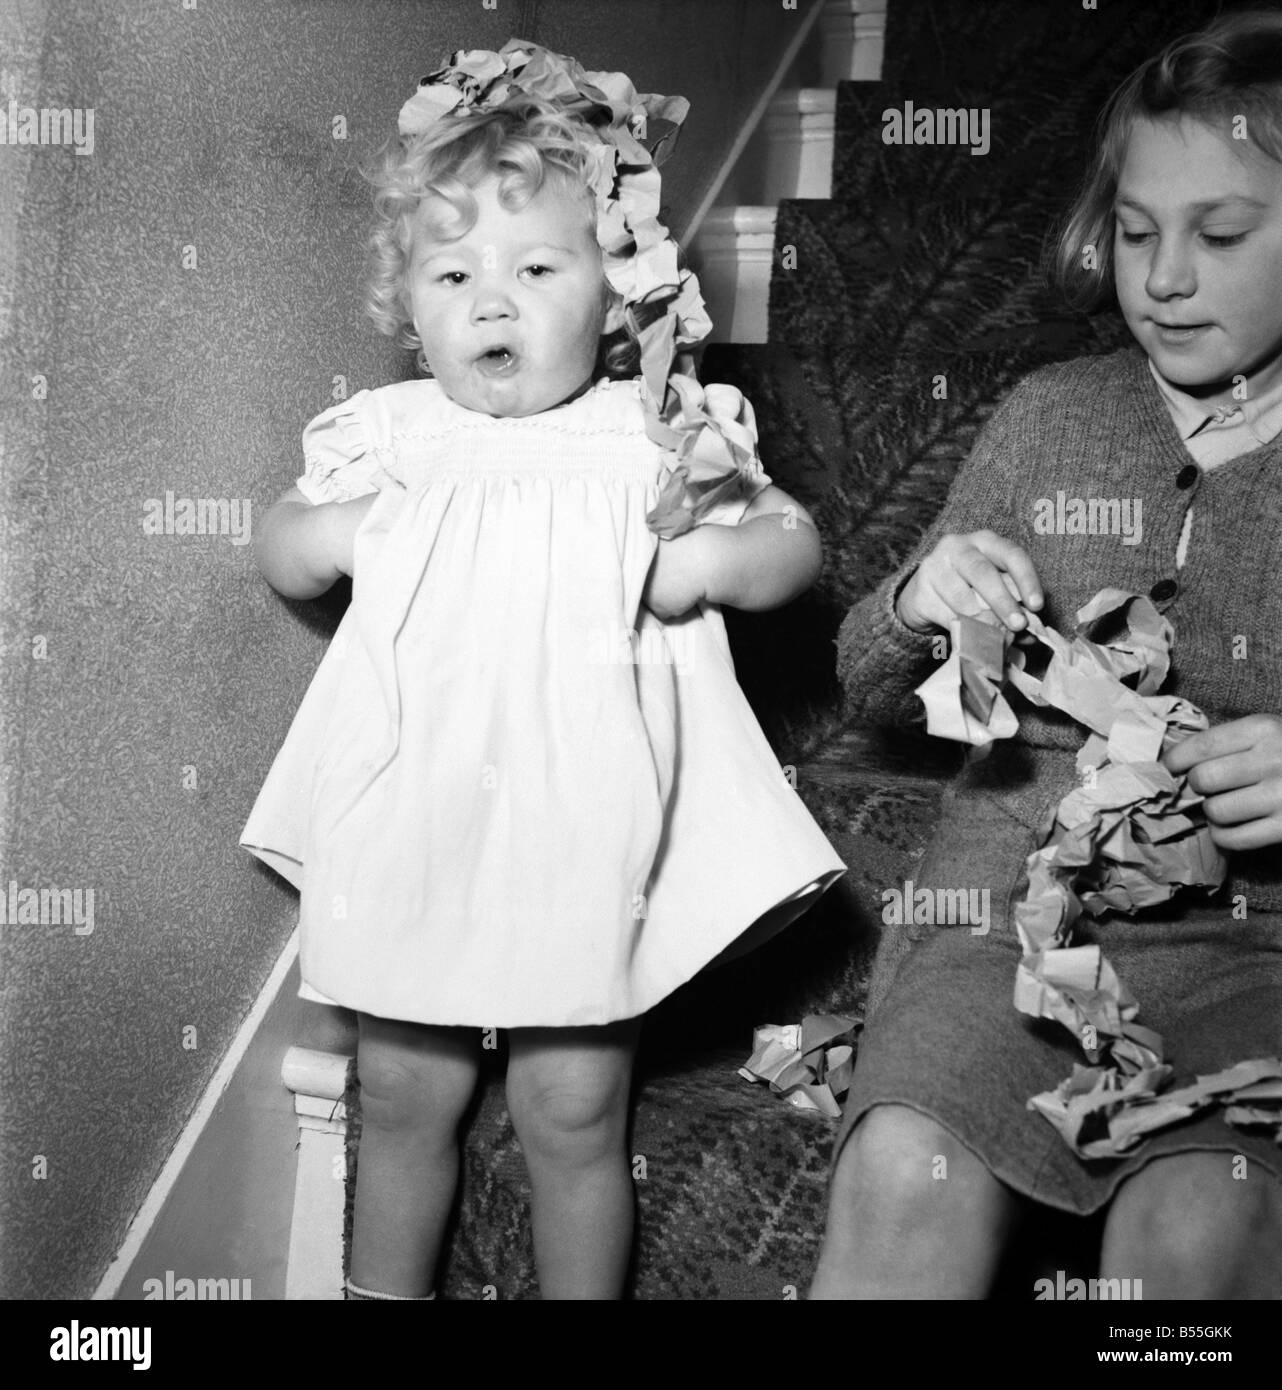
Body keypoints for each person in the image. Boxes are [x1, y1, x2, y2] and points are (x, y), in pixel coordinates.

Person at [241, 40, 844, 1301]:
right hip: (419, 811)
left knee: (575, 1105)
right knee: (403, 1090)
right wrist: (338, 536)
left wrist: (710, 567)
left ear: (616, 295)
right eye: (453, 272)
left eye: (535, 267)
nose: (492, 301)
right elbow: (282, 550)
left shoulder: (654, 433)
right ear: (409, 306)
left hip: (588, 825)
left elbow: (796, 545)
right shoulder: (394, 436)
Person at [812, 10, 1282, 1300]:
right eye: (1136, 232)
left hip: (1256, 948)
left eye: (1221, 234)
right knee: (903, 1167)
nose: (1164, 278)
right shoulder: (1049, 416)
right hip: (1006, 926)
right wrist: (923, 594)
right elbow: (864, 673)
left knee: (1201, 1228)